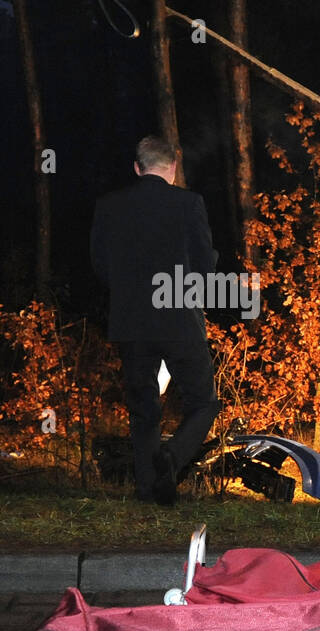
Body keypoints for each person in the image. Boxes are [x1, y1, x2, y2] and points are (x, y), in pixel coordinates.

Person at [91, 136, 220, 505]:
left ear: (137, 167)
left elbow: (100, 264)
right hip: (179, 317)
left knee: (143, 406)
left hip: (131, 321)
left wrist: (130, 292)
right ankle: (173, 456)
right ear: (173, 168)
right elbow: (204, 268)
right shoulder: (189, 203)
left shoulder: (109, 206)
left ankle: (149, 489)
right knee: (203, 402)